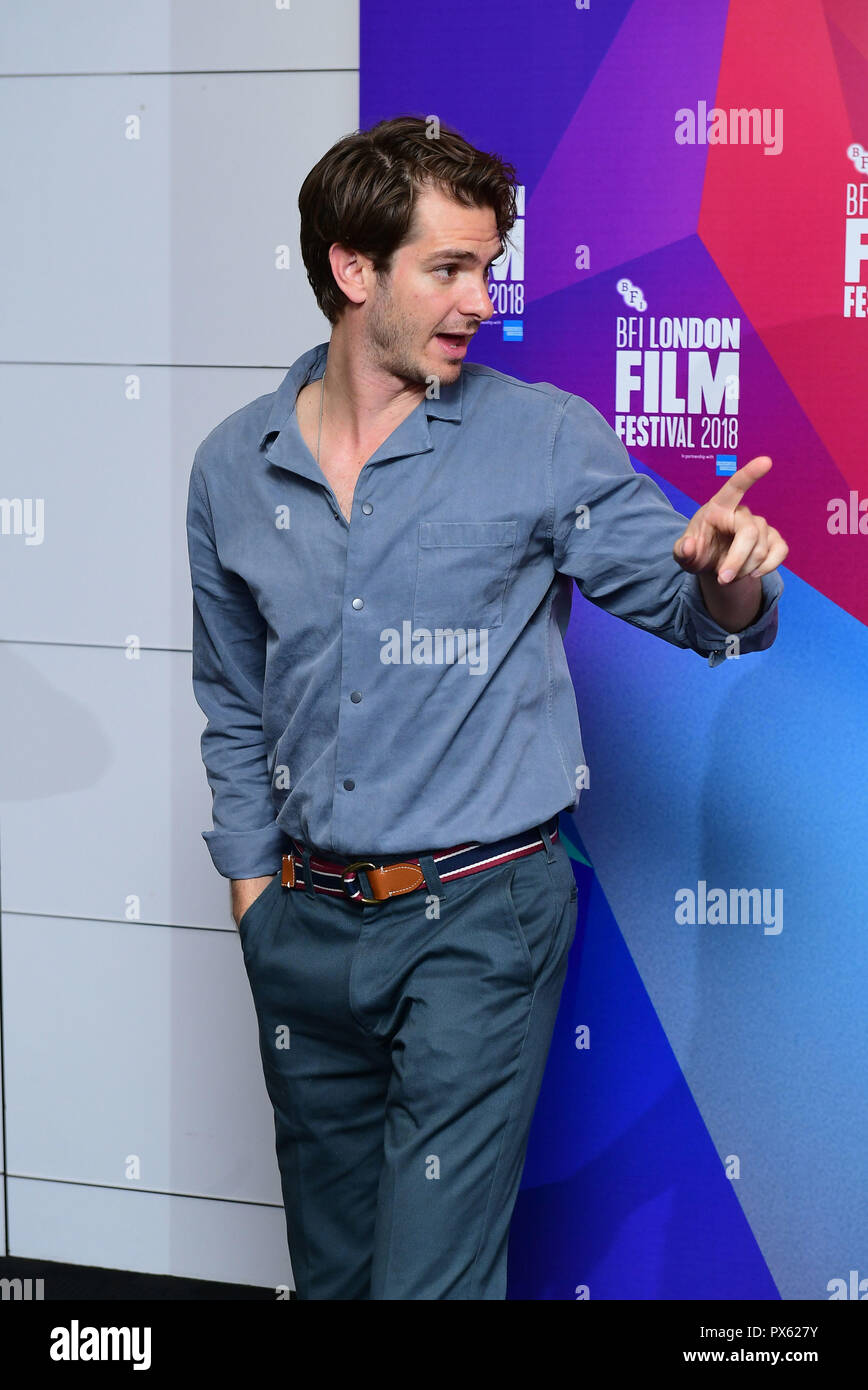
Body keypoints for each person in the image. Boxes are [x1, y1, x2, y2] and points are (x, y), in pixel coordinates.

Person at [185, 116, 787, 1301]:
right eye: (449, 268)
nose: (481, 300)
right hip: (303, 924)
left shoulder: (540, 436)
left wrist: (726, 574)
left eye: (488, 267)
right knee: (334, 1275)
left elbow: (698, 609)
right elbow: (233, 693)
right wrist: (255, 896)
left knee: (430, 1286)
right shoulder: (231, 466)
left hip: (475, 922)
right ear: (353, 270)